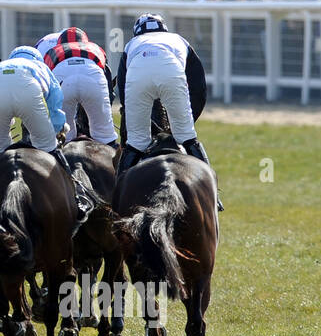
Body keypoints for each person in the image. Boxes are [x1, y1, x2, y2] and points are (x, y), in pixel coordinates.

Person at [116, 13, 221, 208]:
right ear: (164, 29)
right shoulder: (178, 39)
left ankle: (117, 195)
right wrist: (183, 124)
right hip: (170, 71)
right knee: (188, 137)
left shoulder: (132, 44)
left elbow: (123, 92)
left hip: (138, 75)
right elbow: (198, 88)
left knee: (136, 142)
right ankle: (213, 195)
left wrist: (138, 124)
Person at [0, 46, 70, 172]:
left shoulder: (0, 66)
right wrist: (56, 129)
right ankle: (73, 186)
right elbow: (55, 101)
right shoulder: (41, 66)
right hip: (28, 88)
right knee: (47, 146)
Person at [44, 27, 118, 145]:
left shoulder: (53, 51)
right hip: (93, 79)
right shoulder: (96, 48)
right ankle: (122, 161)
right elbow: (108, 85)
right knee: (105, 136)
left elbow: (46, 83)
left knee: (62, 137)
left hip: (63, 82)